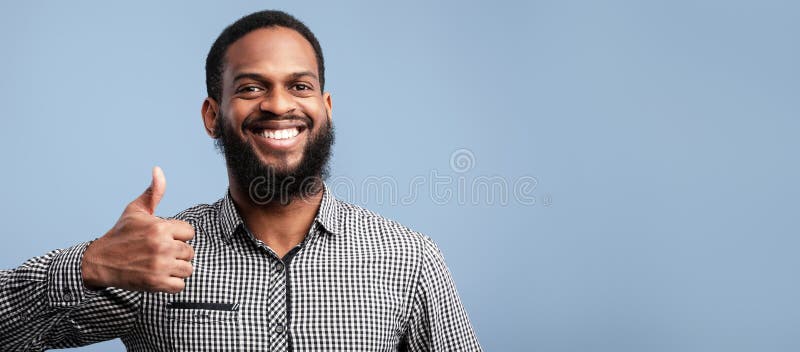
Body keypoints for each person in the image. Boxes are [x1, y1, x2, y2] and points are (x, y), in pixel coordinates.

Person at [0, 10, 481, 352]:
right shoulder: (152, 258)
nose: (277, 104)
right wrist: (90, 263)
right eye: (251, 88)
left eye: (300, 86)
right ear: (213, 116)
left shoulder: (408, 259)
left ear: (325, 110)